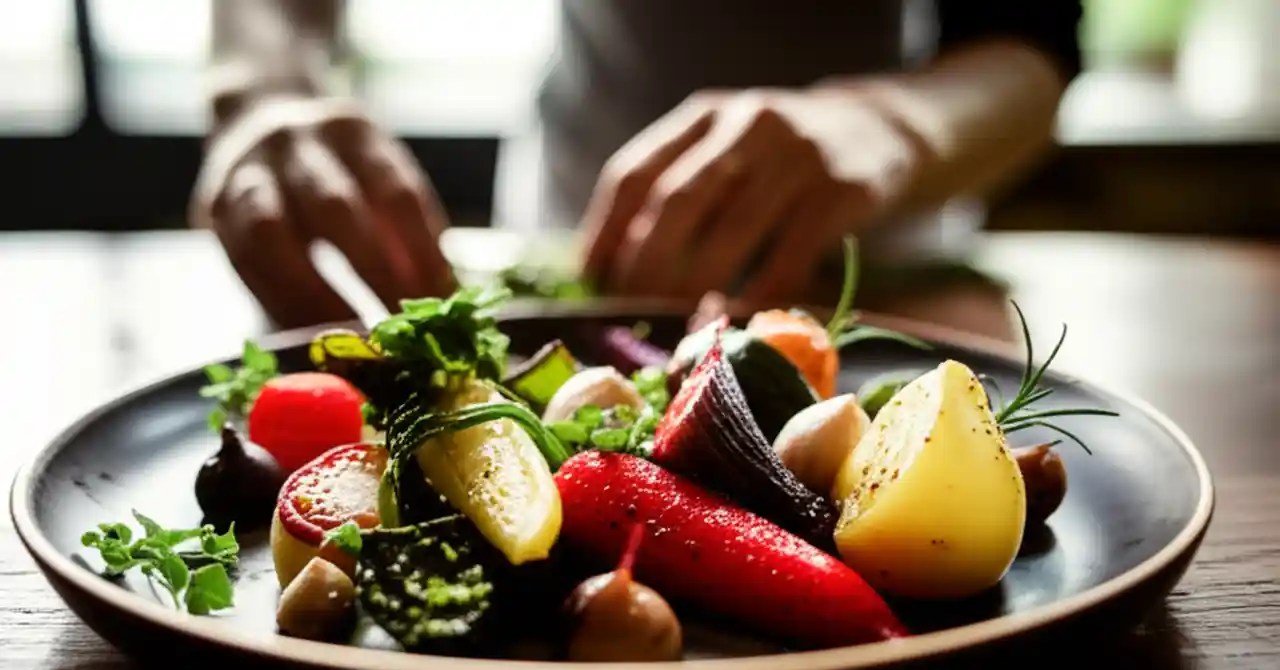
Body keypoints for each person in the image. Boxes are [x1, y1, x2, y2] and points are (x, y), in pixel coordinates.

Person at [191, 1, 1082, 329]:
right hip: (570, 234)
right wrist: (261, 93)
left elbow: (1035, 52)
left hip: (879, 270)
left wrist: (888, 123)